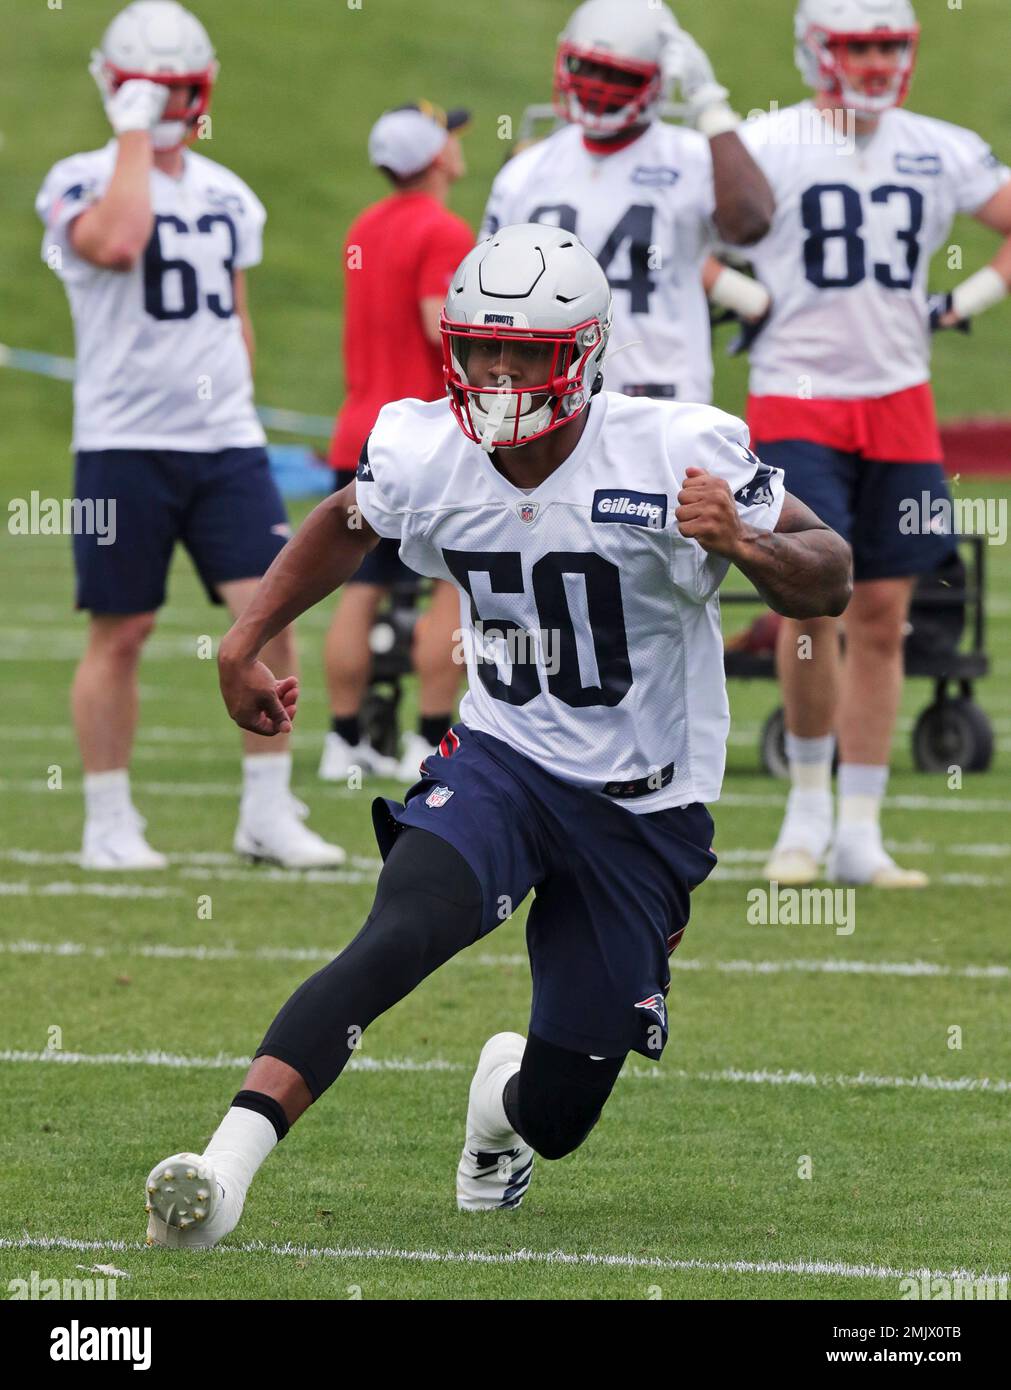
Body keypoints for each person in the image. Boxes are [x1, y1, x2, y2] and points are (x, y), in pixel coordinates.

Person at [143, 225, 850, 1245]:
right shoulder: (427, 447)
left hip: (641, 806)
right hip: (504, 761)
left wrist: (743, 541)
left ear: (584, 356)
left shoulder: (671, 446)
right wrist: (248, 634)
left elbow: (829, 571)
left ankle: (496, 1107)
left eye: (527, 353)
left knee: (559, 1114)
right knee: (399, 932)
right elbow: (350, 516)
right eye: (483, 350)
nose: (502, 374)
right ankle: (221, 1170)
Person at [35, 0, 342, 871]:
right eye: (149, 88)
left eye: (172, 90)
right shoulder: (76, 176)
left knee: (271, 613)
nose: (164, 104)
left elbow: (234, 319)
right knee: (121, 630)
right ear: (114, 86)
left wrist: (236, 402)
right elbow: (121, 238)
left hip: (224, 442)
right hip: (122, 441)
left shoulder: (227, 193)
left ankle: (267, 810)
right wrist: (133, 134)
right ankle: (107, 820)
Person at [732, 0, 1011, 886]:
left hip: (898, 398)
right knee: (811, 604)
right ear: (817, 47)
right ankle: (803, 815)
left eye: (891, 43)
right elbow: (681, 231)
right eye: (860, 44)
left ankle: (859, 827)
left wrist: (962, 306)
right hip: (796, 395)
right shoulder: (768, 140)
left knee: (887, 616)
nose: (878, 61)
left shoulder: (939, 143)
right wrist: (743, 300)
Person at [479, 0, 774, 406]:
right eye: (589, 68)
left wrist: (709, 103)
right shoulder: (525, 172)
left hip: (660, 403)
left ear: (656, 82)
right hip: (551, 402)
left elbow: (751, 222)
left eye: (617, 74)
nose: (598, 84)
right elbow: (488, 299)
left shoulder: (692, 158)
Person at [320, 104, 474, 785]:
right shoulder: (442, 229)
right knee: (453, 586)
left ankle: (343, 738)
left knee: (360, 589)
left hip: (358, 429)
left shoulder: (365, 226)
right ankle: (428, 736)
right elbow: (441, 329)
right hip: (425, 438)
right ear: (435, 156)